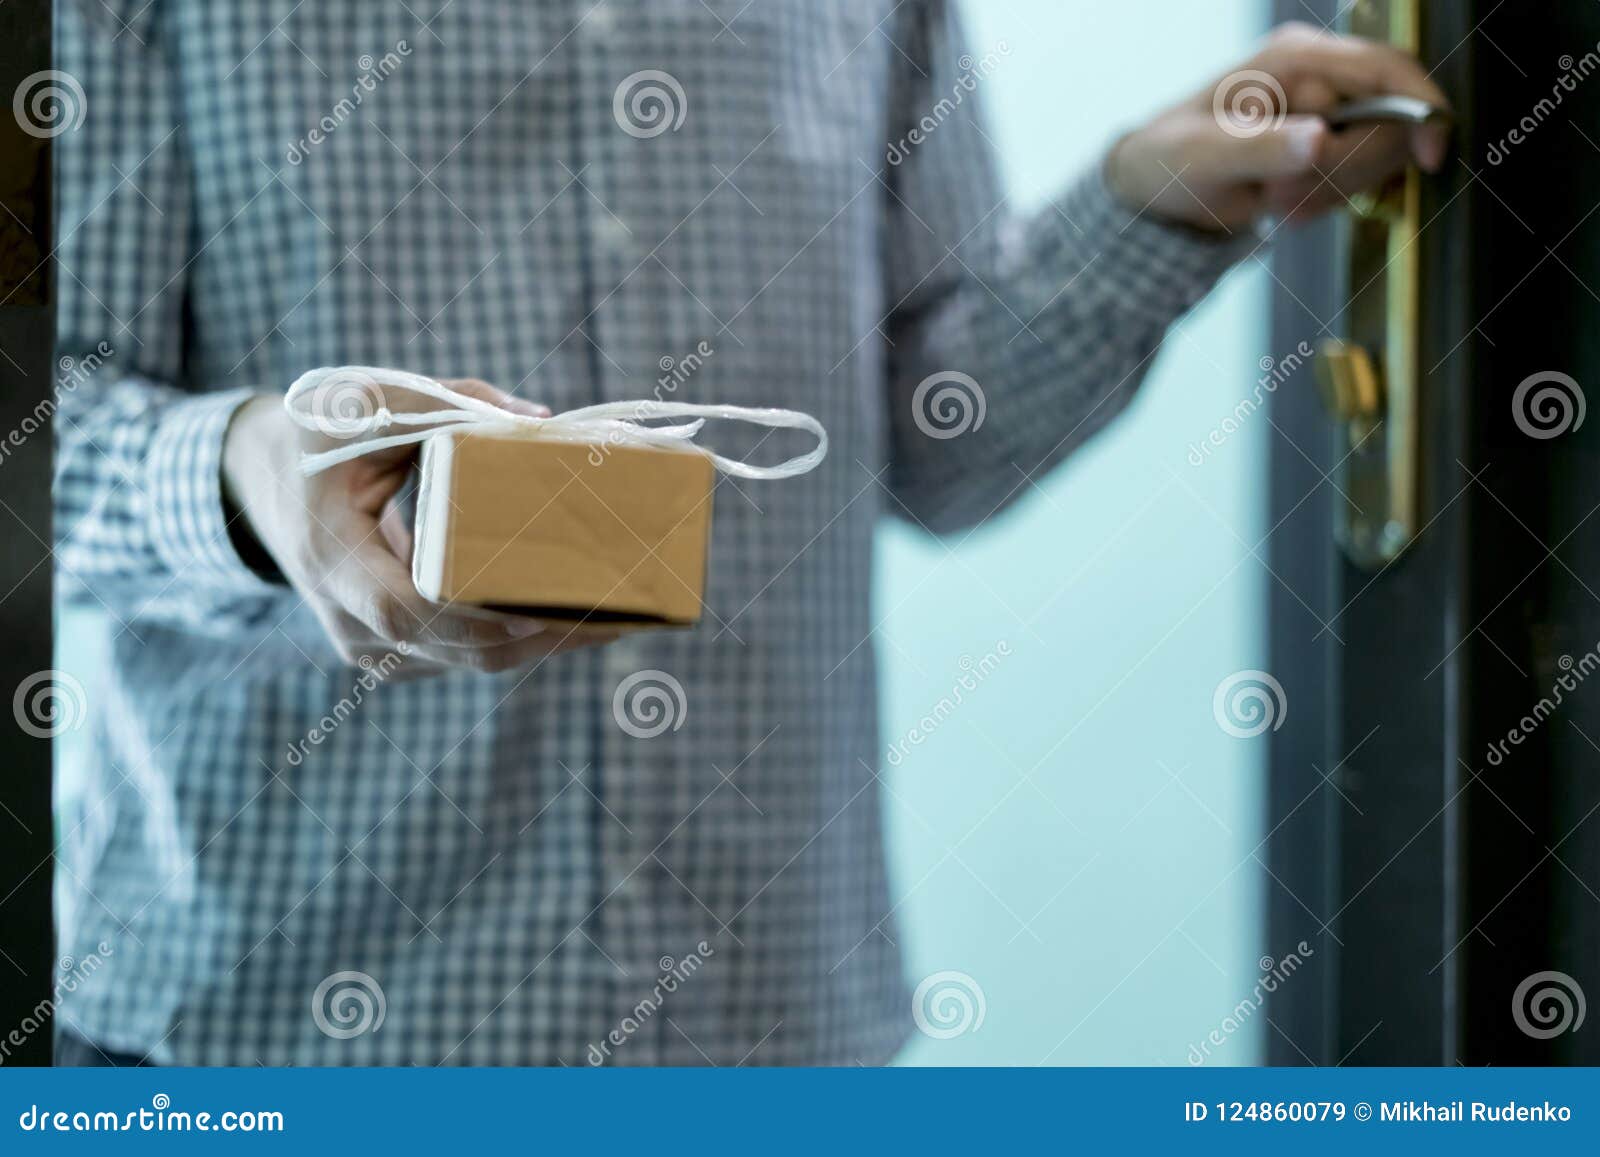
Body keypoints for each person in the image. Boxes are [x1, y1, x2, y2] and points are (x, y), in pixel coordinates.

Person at [52, 0, 1448, 1065]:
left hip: (770, 1026)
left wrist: (1153, 200)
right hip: (265, 1030)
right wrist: (246, 473)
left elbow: (933, 442)